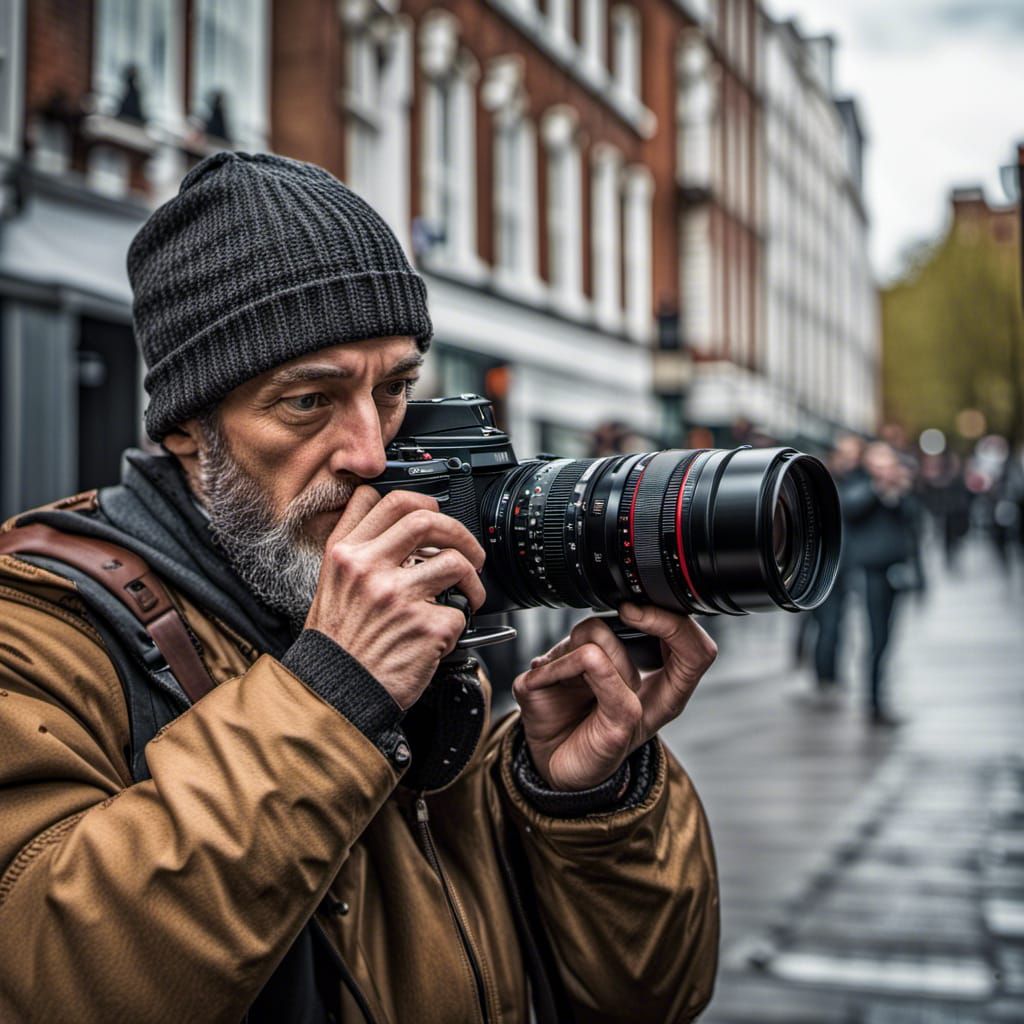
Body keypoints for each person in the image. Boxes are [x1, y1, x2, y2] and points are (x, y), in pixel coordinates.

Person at [0, 153, 720, 1023]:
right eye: (309, 401)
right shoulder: (39, 629)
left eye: (395, 388)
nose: (371, 452)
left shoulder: (413, 618)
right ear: (191, 430)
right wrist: (332, 694)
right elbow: (52, 980)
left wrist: (580, 798)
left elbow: (651, 999)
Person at [843, 441, 923, 726]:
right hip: (871, 573)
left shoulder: (898, 493)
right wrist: (878, 489)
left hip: (895, 571)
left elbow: (914, 521)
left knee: (888, 638)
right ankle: (873, 701)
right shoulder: (859, 484)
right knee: (875, 639)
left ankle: (880, 698)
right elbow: (850, 508)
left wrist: (898, 492)